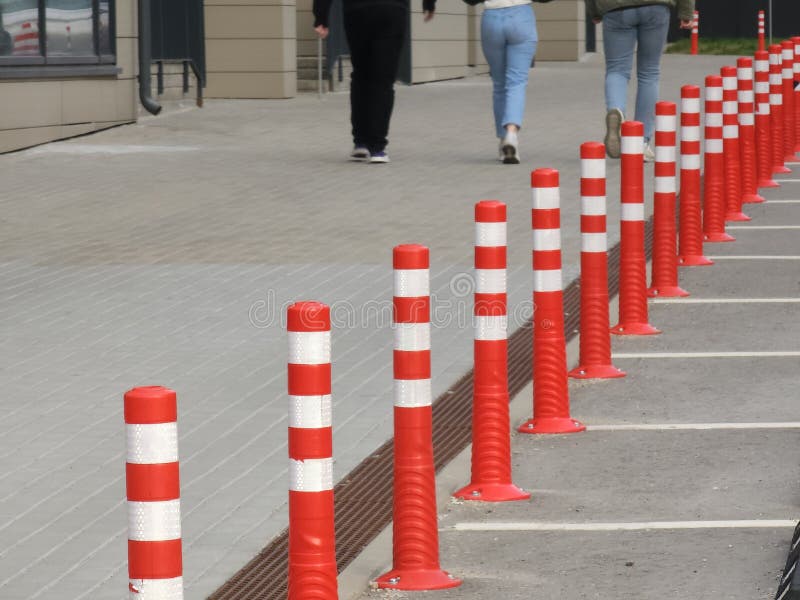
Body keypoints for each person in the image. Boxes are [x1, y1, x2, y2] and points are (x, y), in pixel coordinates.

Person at [313, 0, 436, 164]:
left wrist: (321, 15)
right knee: (384, 78)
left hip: (357, 11)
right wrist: (429, 4)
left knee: (361, 75)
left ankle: (361, 142)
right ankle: (377, 147)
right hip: (392, 10)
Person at [584, 0, 694, 160]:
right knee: (649, 72)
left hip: (615, 8)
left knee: (617, 70)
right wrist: (686, 11)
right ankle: (641, 143)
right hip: (655, 7)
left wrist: (594, 10)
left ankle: (616, 112)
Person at [480, 0, 538, 164]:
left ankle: (502, 140)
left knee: (499, 84)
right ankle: (511, 134)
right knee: (516, 82)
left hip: (491, 17)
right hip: (522, 16)